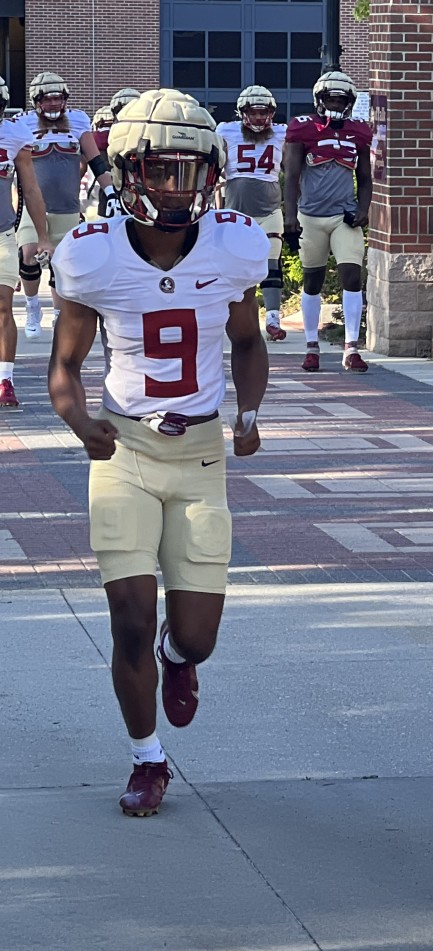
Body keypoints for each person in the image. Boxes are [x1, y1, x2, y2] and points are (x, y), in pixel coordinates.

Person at [48, 89, 269, 817]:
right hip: (125, 452)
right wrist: (81, 424)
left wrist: (251, 410)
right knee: (131, 619)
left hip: (202, 455)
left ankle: (179, 662)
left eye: (189, 171)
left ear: (212, 172)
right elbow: (65, 370)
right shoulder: (91, 253)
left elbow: (247, 341)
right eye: (160, 171)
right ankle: (148, 759)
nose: (176, 188)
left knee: (194, 638)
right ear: (127, 173)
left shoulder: (235, 243)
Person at [283, 69, 372, 373]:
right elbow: (292, 176)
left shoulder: (358, 131)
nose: (336, 102)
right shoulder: (303, 128)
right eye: (331, 97)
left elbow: (365, 177)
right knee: (312, 281)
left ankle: (351, 348)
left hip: (343, 216)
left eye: (341, 98)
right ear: (319, 99)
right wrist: (290, 215)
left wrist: (364, 207)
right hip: (310, 216)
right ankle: (312, 347)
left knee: (351, 275)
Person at [18, 72, 119, 339]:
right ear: (36, 101)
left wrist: (110, 192)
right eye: (48, 99)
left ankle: (59, 312)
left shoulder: (77, 120)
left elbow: (95, 159)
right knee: (28, 253)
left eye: (58, 98)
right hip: (33, 205)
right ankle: (32, 306)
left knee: (62, 263)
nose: (53, 104)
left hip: (67, 207)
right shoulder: (22, 123)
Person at [215, 85, 288, 342]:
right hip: (237, 210)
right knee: (235, 267)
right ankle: (231, 316)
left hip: (270, 209)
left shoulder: (281, 134)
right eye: (254, 113)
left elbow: (292, 170)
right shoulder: (226, 131)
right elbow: (214, 164)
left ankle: (273, 319)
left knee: (271, 263)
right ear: (242, 113)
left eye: (264, 113)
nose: (259, 118)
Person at [0, 75, 53, 407]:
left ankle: (5, 380)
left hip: (2, 234)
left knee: (4, 307)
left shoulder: (13, 134)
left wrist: (43, 235)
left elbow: (30, 189)